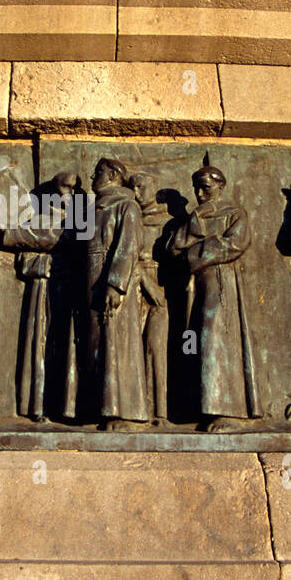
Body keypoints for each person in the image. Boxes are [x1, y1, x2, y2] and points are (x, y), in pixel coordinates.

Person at [169, 164, 259, 424]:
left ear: (220, 186)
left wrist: (195, 253)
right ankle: (195, 407)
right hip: (193, 287)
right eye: (197, 188)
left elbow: (236, 243)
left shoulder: (234, 214)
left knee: (217, 340)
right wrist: (193, 230)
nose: (199, 193)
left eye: (206, 188)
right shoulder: (194, 217)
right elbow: (174, 247)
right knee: (192, 342)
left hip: (221, 284)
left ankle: (224, 409)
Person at [1, 171, 79, 421]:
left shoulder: (82, 223)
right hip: (44, 288)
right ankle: (38, 406)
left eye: (70, 191)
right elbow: (28, 251)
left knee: (69, 346)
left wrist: (15, 236)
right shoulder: (40, 219)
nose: (64, 196)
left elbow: (50, 239)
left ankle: (69, 407)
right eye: (60, 191)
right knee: (40, 345)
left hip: (71, 291)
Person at [85, 158, 149, 426]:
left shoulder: (126, 206)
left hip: (112, 284)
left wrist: (115, 284)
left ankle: (123, 412)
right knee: (96, 344)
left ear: (113, 174)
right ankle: (100, 408)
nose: (92, 176)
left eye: (98, 172)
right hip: (90, 280)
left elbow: (129, 246)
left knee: (118, 345)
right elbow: (65, 238)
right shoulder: (91, 209)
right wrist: (11, 235)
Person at [129, 173, 170, 421]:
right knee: (132, 349)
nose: (136, 192)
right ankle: (136, 410)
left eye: (141, 186)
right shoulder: (128, 217)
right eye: (132, 187)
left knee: (157, 348)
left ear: (155, 187)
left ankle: (161, 411)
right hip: (134, 284)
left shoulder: (168, 221)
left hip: (162, 287)